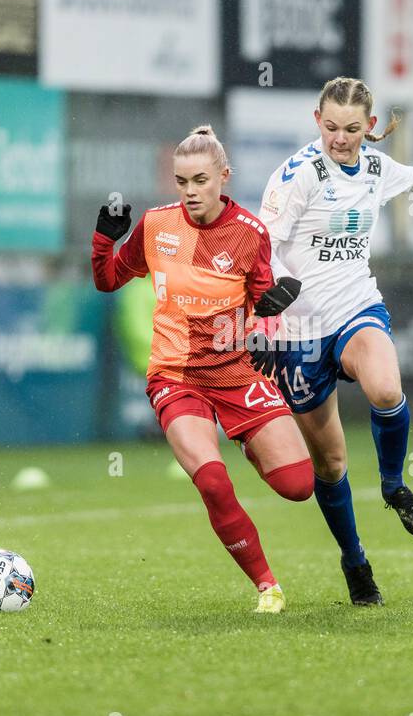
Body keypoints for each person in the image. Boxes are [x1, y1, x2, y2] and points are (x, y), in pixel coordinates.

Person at [255, 76, 413, 606]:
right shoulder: (298, 175)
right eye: (331, 127)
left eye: (352, 129)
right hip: (301, 330)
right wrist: (279, 286)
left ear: (369, 127)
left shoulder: (375, 167)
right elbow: (266, 241)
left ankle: (394, 486)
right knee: (329, 466)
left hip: (355, 306)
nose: (340, 139)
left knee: (385, 389)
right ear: (317, 120)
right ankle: (355, 563)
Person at [91, 125, 315, 614]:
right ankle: (268, 587)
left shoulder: (250, 234)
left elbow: (262, 307)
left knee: (299, 487)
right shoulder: (155, 226)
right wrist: (104, 241)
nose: (190, 192)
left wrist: (271, 304)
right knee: (213, 483)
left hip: (235, 373)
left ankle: (248, 442)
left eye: (200, 180)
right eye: (181, 181)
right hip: (175, 376)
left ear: (224, 177)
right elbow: (108, 280)